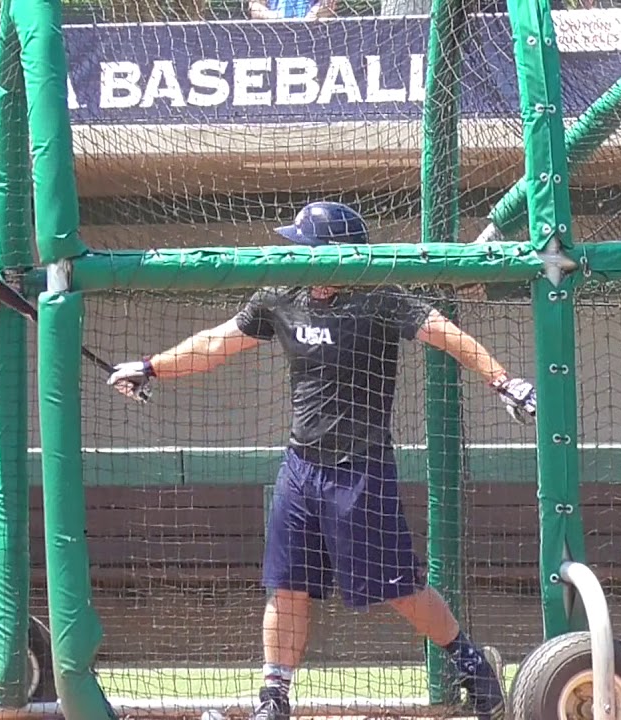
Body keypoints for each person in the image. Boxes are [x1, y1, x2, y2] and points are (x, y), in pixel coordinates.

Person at [106, 201, 535, 720]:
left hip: (362, 467)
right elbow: (217, 342)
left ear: (337, 257)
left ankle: (472, 665)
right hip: (300, 466)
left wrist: (503, 380)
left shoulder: (379, 296)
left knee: (398, 590)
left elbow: (447, 333)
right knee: (287, 585)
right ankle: (274, 698)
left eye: (307, 250)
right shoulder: (281, 295)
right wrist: (151, 367)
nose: (297, 259)